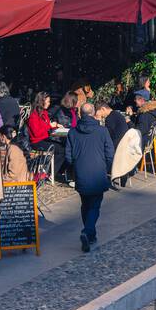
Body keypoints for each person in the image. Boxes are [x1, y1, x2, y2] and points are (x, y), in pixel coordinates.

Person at [64, 103, 114, 252]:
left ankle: (90, 234)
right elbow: (109, 153)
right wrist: (108, 168)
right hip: (98, 173)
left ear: (80, 114)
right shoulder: (102, 131)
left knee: (85, 204)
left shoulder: (72, 133)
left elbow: (68, 157)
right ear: (93, 114)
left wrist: (74, 166)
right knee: (95, 206)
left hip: (81, 173)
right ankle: (87, 231)